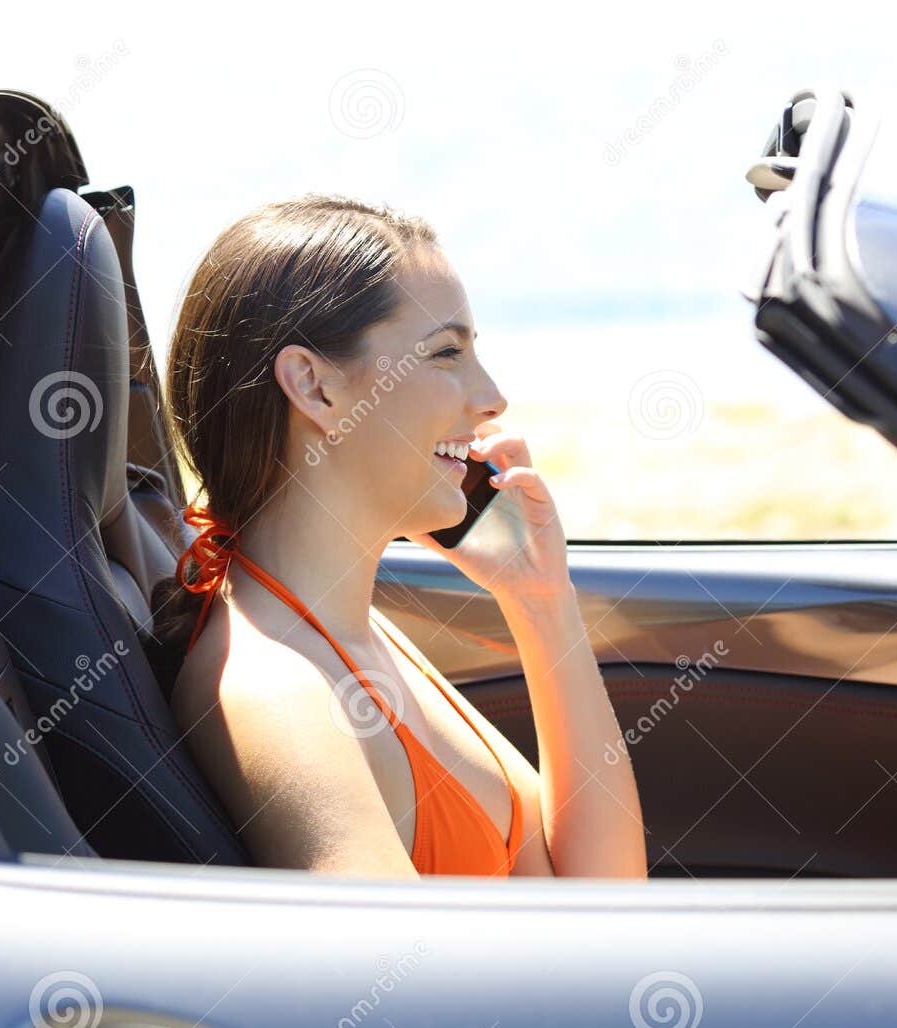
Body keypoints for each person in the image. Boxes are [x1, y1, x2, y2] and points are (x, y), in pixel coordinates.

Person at [149, 195, 646, 879]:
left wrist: (540, 601)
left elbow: (600, 895)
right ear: (314, 387)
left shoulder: (356, 632)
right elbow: (402, 968)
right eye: (447, 353)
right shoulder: (283, 695)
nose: (492, 397)